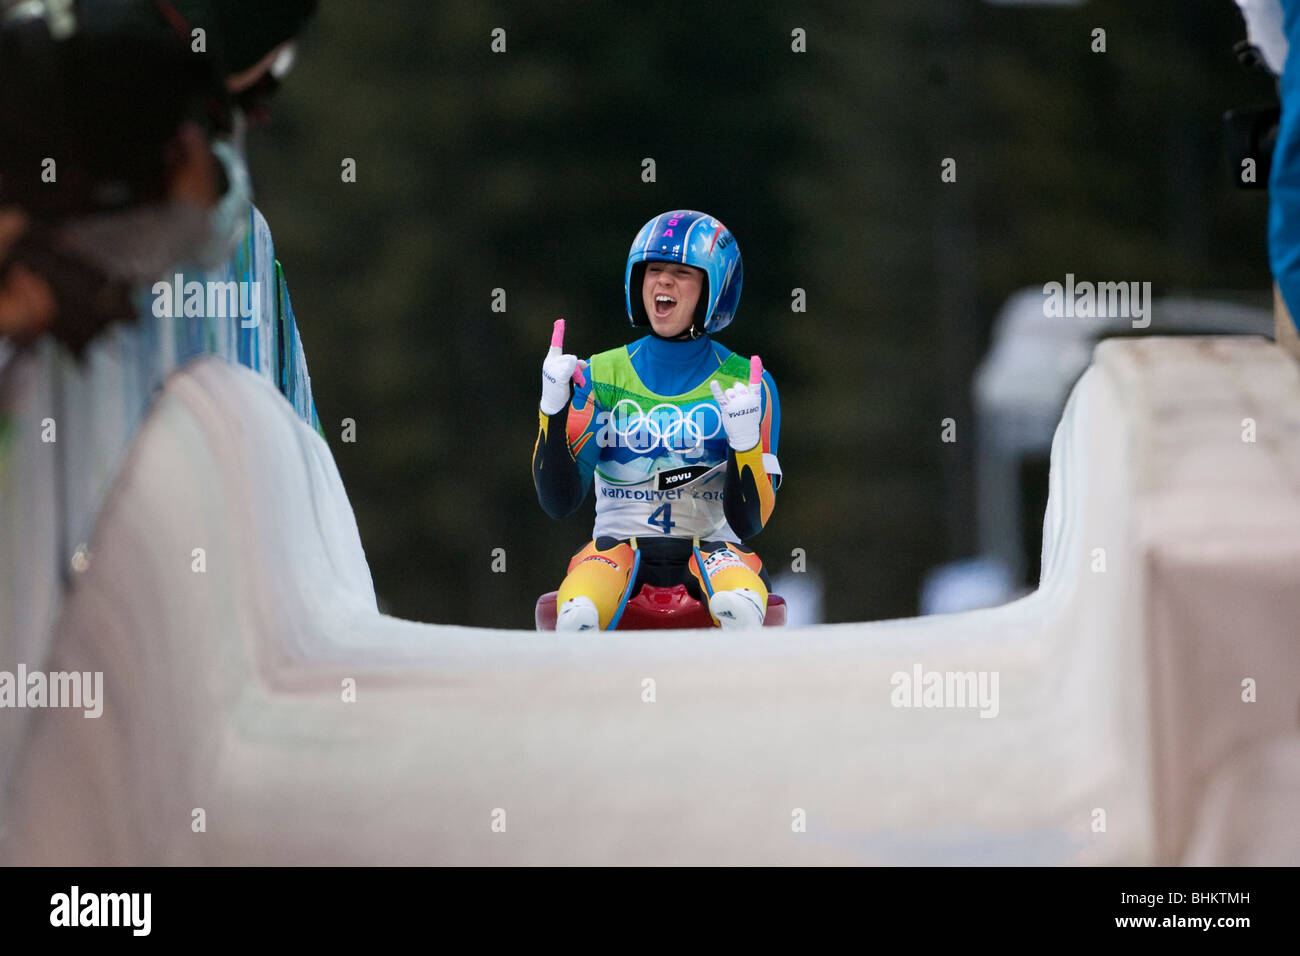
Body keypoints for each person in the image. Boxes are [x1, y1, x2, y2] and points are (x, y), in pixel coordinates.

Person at [532, 210, 782, 630]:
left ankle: (738, 608)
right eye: (654, 270)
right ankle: (583, 613)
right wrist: (552, 412)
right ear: (637, 281)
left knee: (733, 572)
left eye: (681, 272)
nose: (663, 281)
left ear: (713, 288)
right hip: (616, 550)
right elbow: (559, 502)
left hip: (712, 550)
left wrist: (745, 445)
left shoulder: (749, 383)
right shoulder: (597, 374)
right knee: (594, 570)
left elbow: (750, 522)